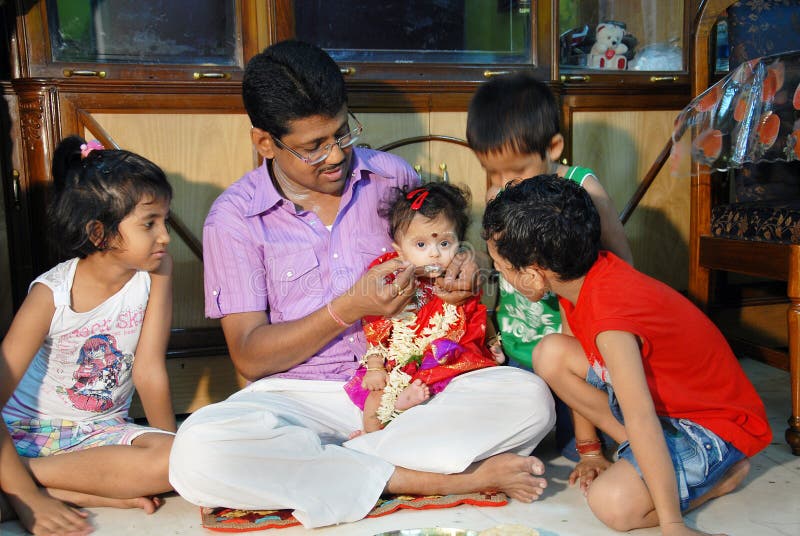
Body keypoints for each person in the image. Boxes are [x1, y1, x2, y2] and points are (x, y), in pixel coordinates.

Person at [168, 40, 556, 529]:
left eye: (342, 133)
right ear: (265, 142)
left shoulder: (392, 177)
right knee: (197, 450)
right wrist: (349, 306)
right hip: (299, 400)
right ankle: (432, 480)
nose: (335, 156)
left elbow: (445, 250)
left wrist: (465, 267)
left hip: (414, 385)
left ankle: (338, 464)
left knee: (530, 400)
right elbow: (249, 354)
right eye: (313, 147)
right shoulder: (234, 219)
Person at [482, 175, 771, 536]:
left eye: (502, 268)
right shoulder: (580, 277)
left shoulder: (611, 317)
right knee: (550, 353)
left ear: (536, 276)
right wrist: (589, 451)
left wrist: (672, 524)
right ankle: (649, 463)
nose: (499, 275)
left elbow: (642, 417)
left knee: (613, 505)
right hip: (665, 405)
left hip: (712, 424)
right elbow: (579, 356)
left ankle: (720, 480)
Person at [0, 137, 176, 535]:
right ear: (100, 233)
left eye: (165, 220)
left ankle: (34, 482)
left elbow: (148, 370)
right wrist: (31, 505)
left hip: (102, 432)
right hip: (27, 432)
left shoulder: (156, 274)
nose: (164, 236)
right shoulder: (51, 294)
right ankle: (30, 487)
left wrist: (177, 459)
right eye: (149, 224)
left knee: (173, 459)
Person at [466, 71, 634, 458]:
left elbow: (622, 263)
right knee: (521, 441)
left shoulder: (583, 188)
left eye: (518, 170)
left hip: (577, 354)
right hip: (519, 352)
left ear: (553, 146)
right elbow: (495, 263)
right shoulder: (499, 194)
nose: (506, 185)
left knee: (584, 448)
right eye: (493, 172)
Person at [344, 182, 500, 434]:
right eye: (420, 245)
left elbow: (477, 314)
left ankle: (414, 421)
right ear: (399, 251)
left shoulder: (457, 279)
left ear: (459, 245)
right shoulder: (391, 278)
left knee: (480, 396)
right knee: (374, 402)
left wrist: (492, 343)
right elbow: (376, 328)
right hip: (401, 365)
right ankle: (374, 434)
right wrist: (375, 367)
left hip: (448, 361)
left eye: (445, 244)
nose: (434, 254)